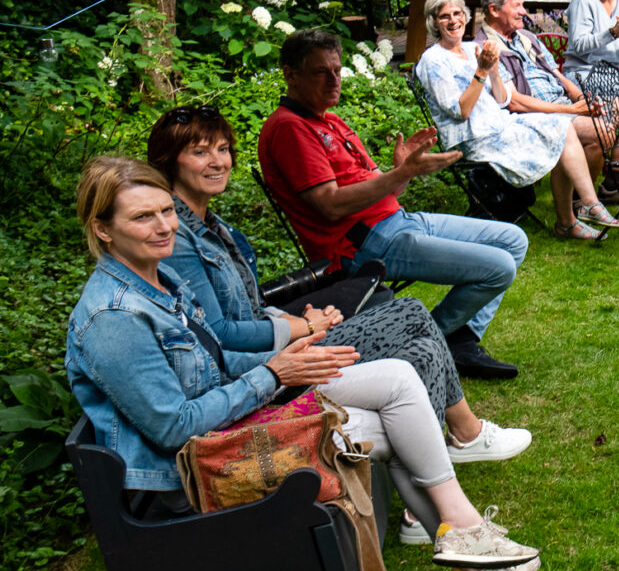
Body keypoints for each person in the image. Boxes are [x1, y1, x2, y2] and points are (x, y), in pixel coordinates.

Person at [65, 156, 542, 571]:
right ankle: (470, 553)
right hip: (198, 465)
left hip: (228, 420)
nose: (164, 226)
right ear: (103, 230)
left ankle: (464, 539)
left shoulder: (158, 279)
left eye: (166, 211)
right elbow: (173, 427)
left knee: (397, 378)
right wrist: (273, 374)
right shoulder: (113, 317)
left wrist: (289, 357)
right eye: (142, 218)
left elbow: (211, 362)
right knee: (382, 426)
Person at [149, 104, 529, 477]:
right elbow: (220, 336)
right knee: (411, 314)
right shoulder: (177, 238)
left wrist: (296, 318)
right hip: (262, 369)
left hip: (278, 342)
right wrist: (301, 328)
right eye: (200, 153)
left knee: (423, 346)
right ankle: (465, 435)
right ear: (170, 162)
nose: (217, 161)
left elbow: (249, 307)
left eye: (222, 149)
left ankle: (435, 481)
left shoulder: (211, 225)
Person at [258, 29, 526, 380]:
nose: (333, 80)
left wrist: (400, 172)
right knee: (499, 267)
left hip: (396, 221)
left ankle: (460, 339)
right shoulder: (290, 129)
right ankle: (428, 336)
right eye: (321, 72)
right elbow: (330, 205)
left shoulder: (329, 119)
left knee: (513, 240)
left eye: (337, 71)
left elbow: (380, 191)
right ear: (290, 74)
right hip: (362, 243)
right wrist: (400, 174)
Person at [416, 0, 618, 241]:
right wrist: (481, 71)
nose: (453, 20)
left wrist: (493, 72)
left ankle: (587, 205)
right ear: (433, 22)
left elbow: (502, 99)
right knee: (557, 137)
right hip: (476, 138)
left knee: (560, 126)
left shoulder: (473, 49)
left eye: (457, 13)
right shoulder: (432, 60)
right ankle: (569, 221)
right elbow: (462, 111)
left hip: (502, 124)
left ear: (465, 16)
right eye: (444, 16)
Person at [478, 0, 619, 186]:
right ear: (494, 10)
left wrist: (584, 100)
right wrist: (575, 110)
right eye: (517, 6)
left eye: (523, 5)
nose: (524, 11)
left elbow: (558, 75)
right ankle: (580, 201)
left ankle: (613, 187)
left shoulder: (526, 37)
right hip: (537, 115)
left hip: (565, 103)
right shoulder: (486, 49)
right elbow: (515, 102)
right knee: (603, 130)